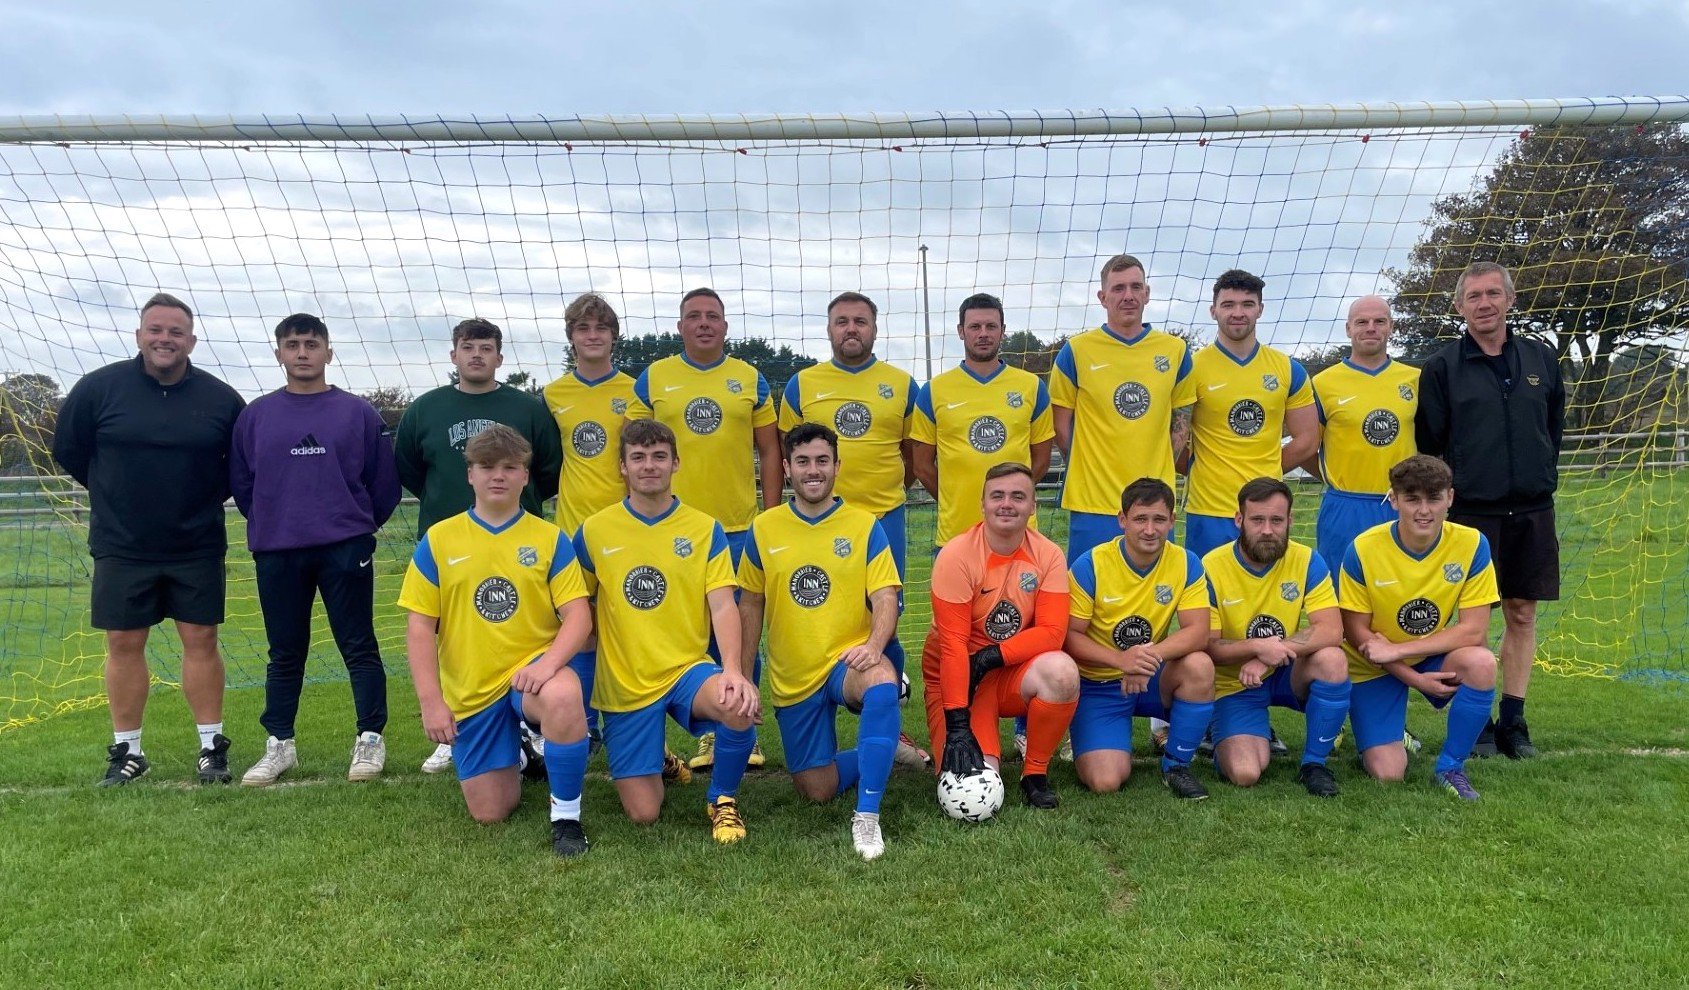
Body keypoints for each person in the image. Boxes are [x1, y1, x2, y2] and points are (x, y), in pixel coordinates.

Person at [51, 292, 246, 787]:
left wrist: (194, 502)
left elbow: (237, 468)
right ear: (139, 336)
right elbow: (71, 451)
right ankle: (128, 752)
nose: (165, 339)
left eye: (176, 332)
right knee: (123, 641)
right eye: (155, 330)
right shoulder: (98, 389)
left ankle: (211, 748)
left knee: (201, 639)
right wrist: (117, 495)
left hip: (196, 542)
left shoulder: (222, 399)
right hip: (122, 543)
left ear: (192, 341)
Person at [397, 425, 596, 856]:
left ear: (525, 476)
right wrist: (432, 702)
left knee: (563, 693)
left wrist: (547, 665)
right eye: (487, 466)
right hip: (473, 688)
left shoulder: (549, 538)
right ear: (470, 474)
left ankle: (566, 818)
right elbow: (418, 627)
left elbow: (578, 616)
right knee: (491, 811)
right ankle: (523, 752)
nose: (498, 476)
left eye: (510, 467)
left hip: (530, 673)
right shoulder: (439, 540)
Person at [231, 313, 401, 786]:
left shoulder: (358, 413)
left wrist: (354, 525)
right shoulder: (256, 415)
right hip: (278, 549)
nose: (302, 352)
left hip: (345, 546)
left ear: (328, 352)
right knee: (285, 651)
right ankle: (279, 744)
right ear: (279, 353)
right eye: (292, 344)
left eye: (311, 343)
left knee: (359, 644)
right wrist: (277, 521)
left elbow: (383, 484)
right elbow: (244, 485)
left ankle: (370, 738)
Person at [573, 419, 761, 842]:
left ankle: (723, 800)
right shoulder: (593, 531)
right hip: (625, 684)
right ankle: (658, 758)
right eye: (637, 457)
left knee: (737, 704)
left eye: (659, 456)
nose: (649, 466)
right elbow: (577, 609)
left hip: (686, 671)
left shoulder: (703, 528)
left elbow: (722, 604)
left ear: (676, 462)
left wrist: (733, 669)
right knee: (643, 814)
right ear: (622, 466)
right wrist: (576, 684)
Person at [395, 316, 564, 774]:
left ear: (499, 357)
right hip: (452, 543)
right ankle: (455, 724)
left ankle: (531, 725)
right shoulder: (425, 409)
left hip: (517, 539)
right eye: (468, 347)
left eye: (486, 348)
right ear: (453, 355)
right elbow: (409, 468)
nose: (476, 355)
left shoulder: (526, 408)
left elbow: (549, 467)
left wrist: (514, 504)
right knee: (452, 635)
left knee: (523, 625)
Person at [626, 287, 781, 771]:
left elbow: (770, 451)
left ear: (726, 327)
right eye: (693, 316)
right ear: (680, 327)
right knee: (671, 630)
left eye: (713, 316)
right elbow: (631, 450)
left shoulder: (749, 379)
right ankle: (663, 726)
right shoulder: (654, 379)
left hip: (736, 527)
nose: (704, 323)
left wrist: (769, 517)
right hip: (669, 531)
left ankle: (739, 729)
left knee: (739, 635)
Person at [1414, 261, 1564, 760]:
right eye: (1474, 296)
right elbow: (1431, 445)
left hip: (1532, 508)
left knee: (1523, 612)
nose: (1484, 304)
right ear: (1459, 306)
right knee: (1471, 620)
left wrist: (1536, 474)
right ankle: (1475, 721)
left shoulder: (1541, 359)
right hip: (1471, 514)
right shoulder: (1441, 367)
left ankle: (1514, 722)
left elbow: (1552, 431)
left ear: (1510, 300)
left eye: (1493, 294)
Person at [778, 291, 928, 768]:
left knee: (887, 622)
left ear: (875, 329)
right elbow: (791, 449)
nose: (851, 329)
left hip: (883, 519)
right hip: (815, 526)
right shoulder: (802, 385)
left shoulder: (902, 385)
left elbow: (910, 454)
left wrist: (875, 503)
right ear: (828, 329)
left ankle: (889, 726)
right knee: (817, 613)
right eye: (841, 321)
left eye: (860, 321)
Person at [738, 424, 903, 859]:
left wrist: (873, 644)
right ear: (787, 469)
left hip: (846, 660)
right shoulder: (764, 528)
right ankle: (883, 751)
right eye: (804, 462)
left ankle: (867, 817)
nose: (814, 471)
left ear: (837, 466)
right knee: (817, 789)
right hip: (794, 673)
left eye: (822, 461)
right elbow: (750, 605)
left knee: (881, 680)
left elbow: (886, 595)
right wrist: (742, 672)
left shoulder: (864, 525)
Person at [1339, 454, 1499, 800]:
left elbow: (1473, 630)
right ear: (1394, 500)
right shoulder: (1363, 549)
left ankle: (1451, 767)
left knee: (1482, 662)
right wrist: (1411, 677)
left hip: (1422, 655)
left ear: (1450, 499)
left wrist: (1400, 649)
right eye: (1412, 499)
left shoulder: (1472, 544)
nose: (1423, 510)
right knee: (1388, 772)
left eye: (1434, 498)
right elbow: (1355, 633)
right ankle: (1383, 731)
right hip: (1372, 666)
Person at [921, 462, 1078, 809]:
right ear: (983, 503)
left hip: (1007, 671)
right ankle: (970, 737)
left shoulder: (1049, 555)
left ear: (1033, 506)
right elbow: (952, 648)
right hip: (961, 675)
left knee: (1062, 671)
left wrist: (993, 656)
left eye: (1018, 496)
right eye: (998, 496)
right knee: (976, 786)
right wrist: (957, 724)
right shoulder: (956, 556)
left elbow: (1053, 633)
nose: (1007, 504)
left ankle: (1035, 772)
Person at [1064, 478, 1215, 801]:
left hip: (1150, 677)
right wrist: (1120, 660)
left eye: (1159, 519)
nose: (1150, 529)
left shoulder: (1186, 562)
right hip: (1099, 683)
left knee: (1199, 665)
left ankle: (1176, 766)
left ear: (1172, 521)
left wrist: (1145, 659)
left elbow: (1199, 631)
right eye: (1140, 519)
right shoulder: (1091, 564)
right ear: (1122, 520)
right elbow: (1069, 637)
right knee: (1105, 781)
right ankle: (1096, 735)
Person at [1203, 478, 1350, 797]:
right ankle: (1223, 731)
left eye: (1277, 520)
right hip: (1236, 682)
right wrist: (1256, 646)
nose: (1267, 530)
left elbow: (1331, 629)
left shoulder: (1308, 560)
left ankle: (1314, 764)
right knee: (1245, 773)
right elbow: (1209, 646)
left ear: (1290, 521)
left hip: (1286, 672)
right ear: (1239, 520)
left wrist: (1272, 651)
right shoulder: (1211, 566)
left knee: (1333, 660)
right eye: (1257, 520)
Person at [1050, 254, 1195, 564]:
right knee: (1087, 600)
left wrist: (1154, 469)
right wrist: (1090, 466)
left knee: (1153, 599)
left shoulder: (1175, 351)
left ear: (1147, 293)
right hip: (1093, 503)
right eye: (1117, 289)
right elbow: (1061, 427)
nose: (1127, 296)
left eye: (1135, 287)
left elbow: (1181, 423)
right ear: (1103, 297)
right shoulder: (1076, 351)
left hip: (1154, 506)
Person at [542, 293, 636, 766]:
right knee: (580, 629)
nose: (592, 335)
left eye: (601, 327)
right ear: (571, 337)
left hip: (624, 531)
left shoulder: (635, 391)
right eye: (583, 328)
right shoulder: (553, 395)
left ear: (613, 335)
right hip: (572, 530)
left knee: (622, 626)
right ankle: (585, 725)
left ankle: (627, 718)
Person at [1181, 270, 1318, 556]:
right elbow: (1172, 438)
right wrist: (1199, 469)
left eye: (1247, 304)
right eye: (1228, 305)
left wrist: (1268, 469)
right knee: (1209, 596)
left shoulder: (1287, 369)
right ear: (1213, 310)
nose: (1238, 313)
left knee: (1266, 596)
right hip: (1209, 509)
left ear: (1260, 309)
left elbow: (1307, 439)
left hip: (1267, 511)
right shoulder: (1191, 368)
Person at [912, 293, 1055, 549]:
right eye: (975, 326)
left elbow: (1042, 459)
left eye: (991, 326)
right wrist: (953, 499)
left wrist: (1012, 500)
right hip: (956, 535)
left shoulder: (1031, 387)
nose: (983, 333)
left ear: (1003, 331)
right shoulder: (933, 391)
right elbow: (922, 466)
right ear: (960, 331)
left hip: (1018, 536)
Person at [1308, 296, 1420, 574]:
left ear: (1390, 327)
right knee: (1342, 596)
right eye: (1362, 322)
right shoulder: (1323, 383)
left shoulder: (1416, 379)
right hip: (1345, 507)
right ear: (1348, 328)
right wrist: (1334, 477)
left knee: (1402, 594)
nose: (1371, 328)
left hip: (1404, 504)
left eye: (1379, 321)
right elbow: (1306, 447)